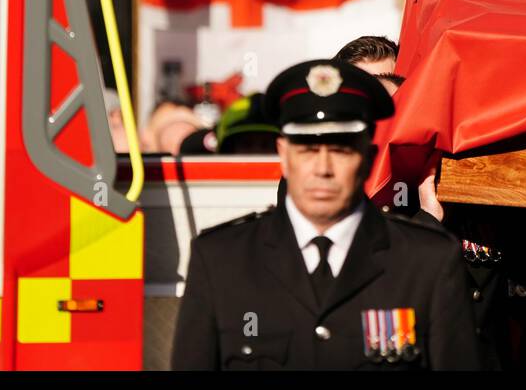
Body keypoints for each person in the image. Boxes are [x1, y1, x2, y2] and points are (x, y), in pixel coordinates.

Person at [171, 59, 479, 370]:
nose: (323, 169)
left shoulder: (427, 263)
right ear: (283, 155)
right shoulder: (222, 261)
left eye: (341, 151)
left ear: (369, 159)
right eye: (306, 150)